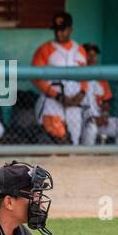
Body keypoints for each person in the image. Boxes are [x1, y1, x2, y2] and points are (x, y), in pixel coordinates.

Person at [32, 11, 90, 144]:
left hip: (75, 100)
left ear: (70, 29)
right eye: (56, 30)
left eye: (63, 30)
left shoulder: (80, 50)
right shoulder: (44, 49)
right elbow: (36, 78)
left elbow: (85, 76)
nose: (59, 33)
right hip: (52, 101)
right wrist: (57, 96)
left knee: (74, 141)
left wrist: (82, 93)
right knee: (55, 138)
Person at [79, 43, 118, 146]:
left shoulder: (101, 78)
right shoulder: (75, 76)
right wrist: (92, 119)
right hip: (81, 121)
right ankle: (86, 158)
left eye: (94, 55)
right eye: (89, 54)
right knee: (91, 128)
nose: (92, 58)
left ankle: (116, 158)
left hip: (99, 119)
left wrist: (105, 116)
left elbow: (106, 101)